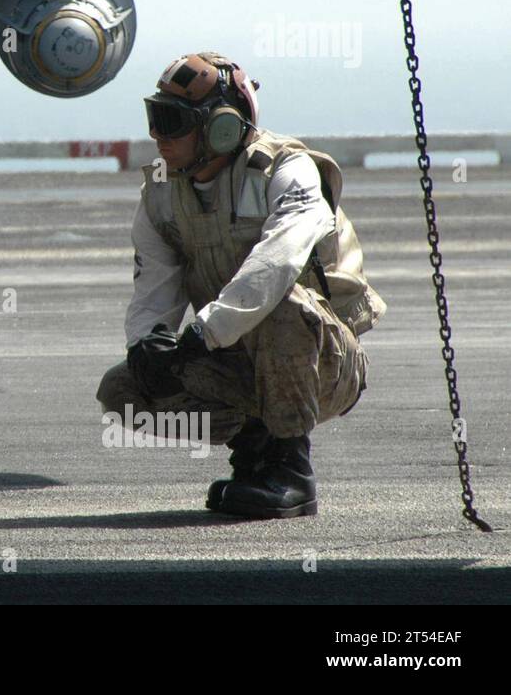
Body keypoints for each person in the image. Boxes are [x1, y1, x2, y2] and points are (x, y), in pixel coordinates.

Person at [97, 52, 386, 518]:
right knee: (125, 389)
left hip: (325, 365)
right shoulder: (162, 192)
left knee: (281, 302)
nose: (158, 136)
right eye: (155, 118)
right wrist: (146, 343)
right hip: (237, 358)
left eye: (172, 122)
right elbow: (155, 282)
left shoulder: (286, 171)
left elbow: (276, 263)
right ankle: (254, 454)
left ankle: (291, 472)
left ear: (222, 128)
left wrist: (203, 333)